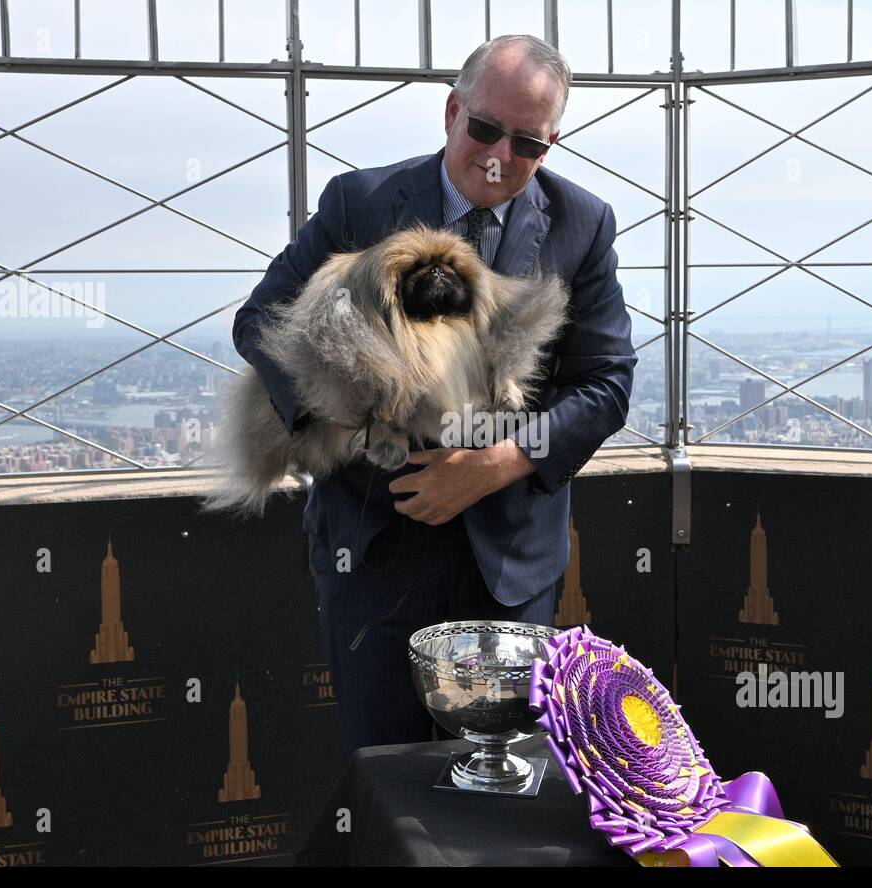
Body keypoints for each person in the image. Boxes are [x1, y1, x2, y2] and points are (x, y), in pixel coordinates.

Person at [232, 34, 636, 760]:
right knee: (387, 774)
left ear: (551, 143)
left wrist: (501, 462)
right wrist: (346, 420)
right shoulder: (361, 201)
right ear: (452, 111)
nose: (499, 156)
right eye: (484, 129)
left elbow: (606, 386)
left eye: (527, 144)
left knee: (493, 789)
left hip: (506, 566)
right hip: (373, 548)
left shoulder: (583, 223)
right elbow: (260, 321)